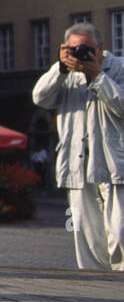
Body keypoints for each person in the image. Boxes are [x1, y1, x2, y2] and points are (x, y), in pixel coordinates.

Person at [32, 23, 124, 271]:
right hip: (77, 164)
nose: (80, 53)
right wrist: (60, 70)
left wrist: (97, 76)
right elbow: (40, 98)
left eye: (86, 48)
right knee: (86, 234)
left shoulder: (120, 68)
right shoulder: (63, 72)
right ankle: (94, 283)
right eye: (73, 48)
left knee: (120, 230)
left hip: (115, 164)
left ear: (100, 48)